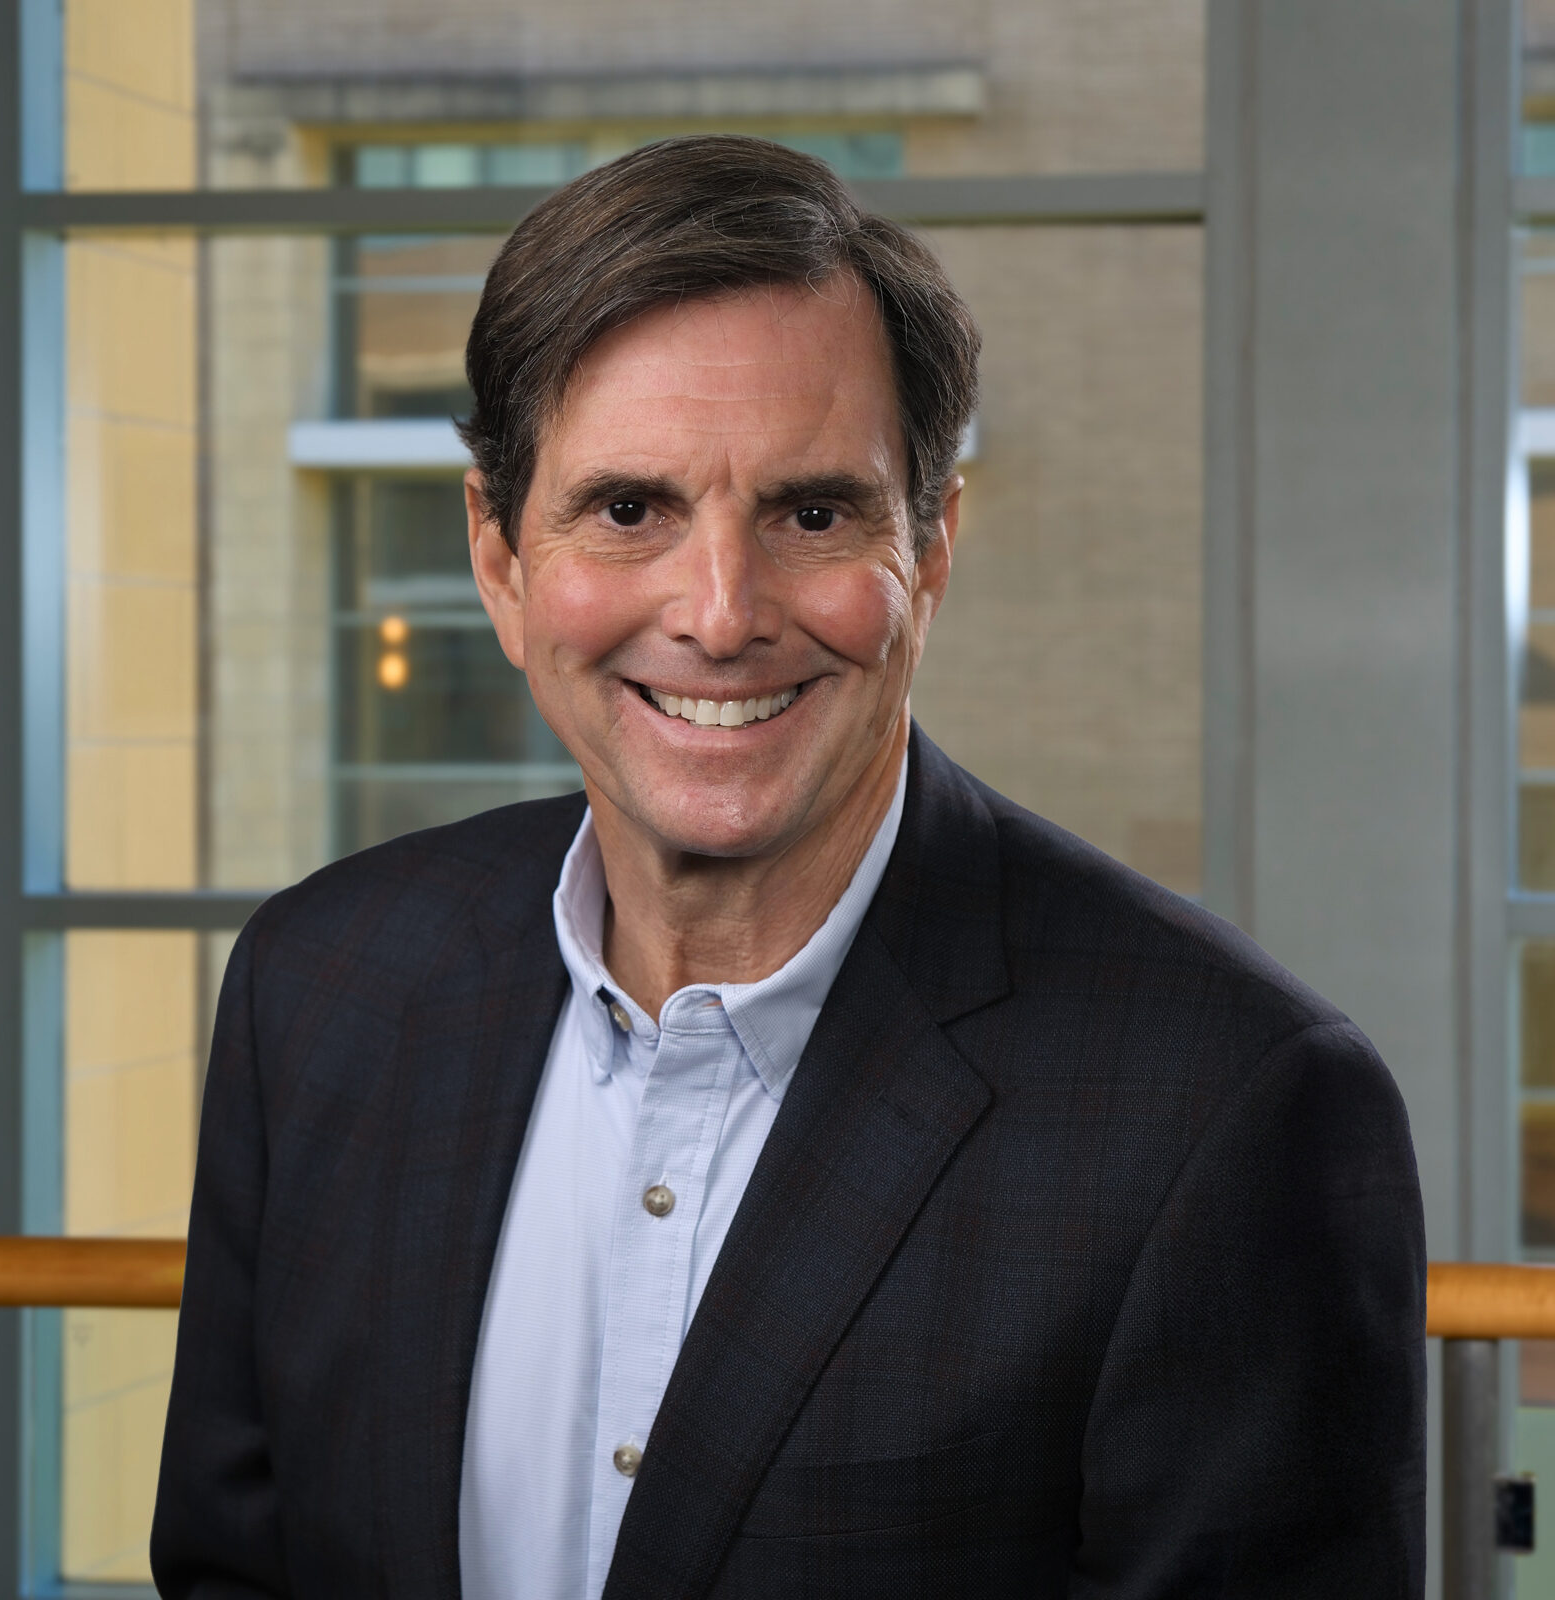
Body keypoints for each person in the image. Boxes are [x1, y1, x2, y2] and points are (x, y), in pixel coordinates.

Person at [151, 135, 1426, 1599]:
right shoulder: (318, 989)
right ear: (500, 564)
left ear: (929, 553)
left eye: (812, 514)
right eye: (628, 510)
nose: (720, 614)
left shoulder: (1228, 1109)